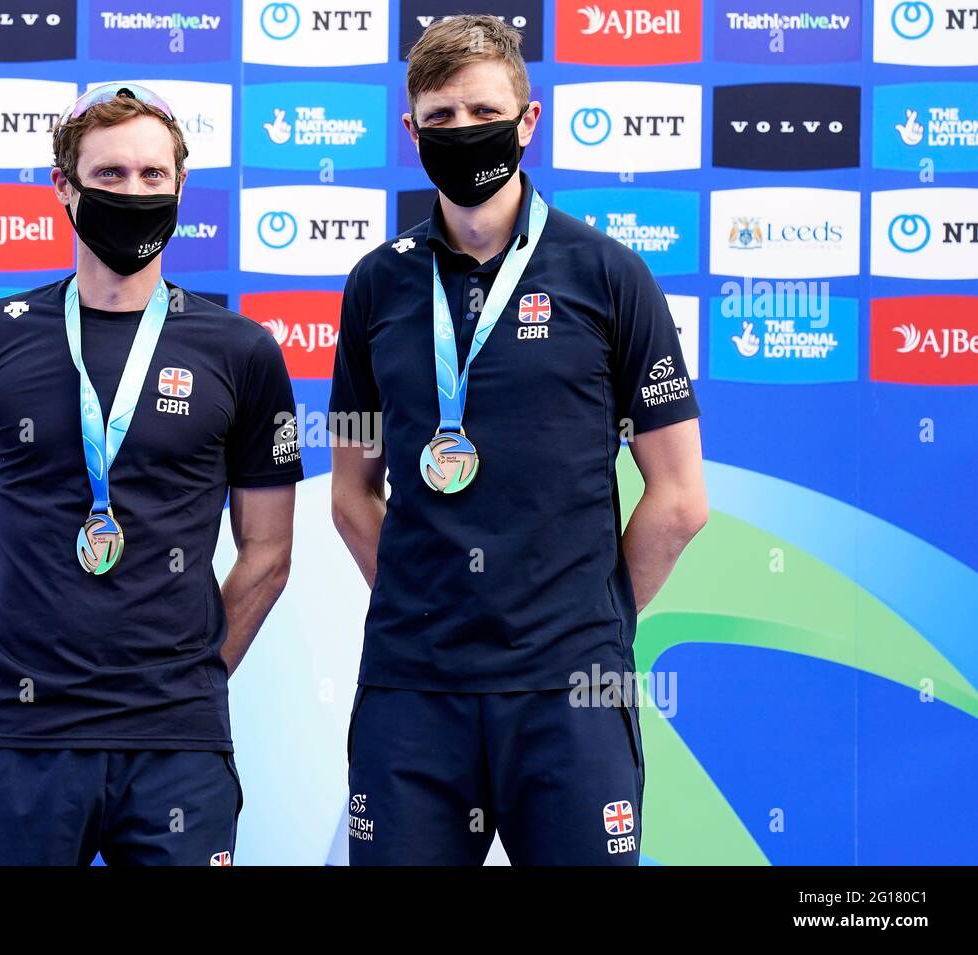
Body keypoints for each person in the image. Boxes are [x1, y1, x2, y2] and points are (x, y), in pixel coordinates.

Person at [329, 16, 708, 865]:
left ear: (528, 122)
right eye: (442, 118)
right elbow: (352, 486)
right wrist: (428, 606)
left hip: (570, 689)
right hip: (412, 687)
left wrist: (589, 619)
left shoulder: (609, 275)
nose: (464, 133)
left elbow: (680, 499)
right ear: (412, 132)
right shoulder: (375, 285)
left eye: (483, 111)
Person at [0, 83, 302, 866]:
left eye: (151, 176)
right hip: (24, 734)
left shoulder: (242, 351)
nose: (133, 192)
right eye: (109, 176)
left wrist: (192, 674)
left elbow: (268, 552)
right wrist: (38, 645)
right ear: (63, 187)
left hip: (178, 744)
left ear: (178, 187)